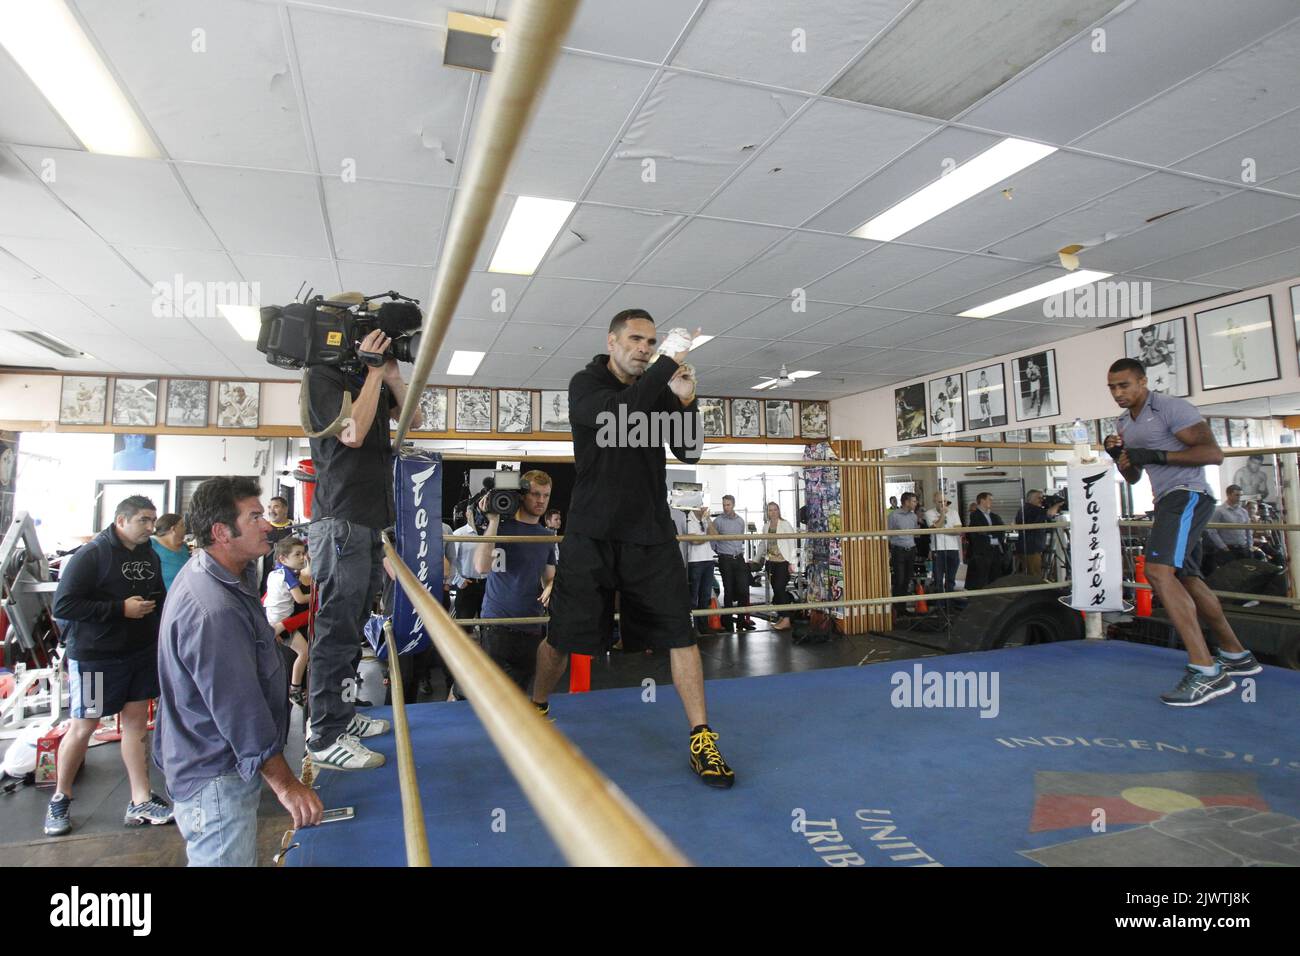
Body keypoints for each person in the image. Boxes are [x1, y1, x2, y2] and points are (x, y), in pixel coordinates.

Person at [532, 309, 736, 787]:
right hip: (591, 533)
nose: (644, 348)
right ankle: (537, 708)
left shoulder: (658, 388)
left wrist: (686, 404)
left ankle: (702, 736)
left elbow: (689, 453)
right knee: (563, 637)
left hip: (649, 533)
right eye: (636, 340)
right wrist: (668, 364)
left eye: (651, 342)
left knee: (680, 634)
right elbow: (619, 413)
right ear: (613, 341)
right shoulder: (586, 384)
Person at [154, 477, 322, 865]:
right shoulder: (215, 609)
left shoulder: (223, 576)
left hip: (210, 761)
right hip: (215, 777)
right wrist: (286, 786)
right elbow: (239, 710)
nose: (267, 524)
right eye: (255, 517)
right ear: (221, 532)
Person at [1105, 358, 1258, 706]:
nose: (1118, 393)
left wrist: (1155, 453)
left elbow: (1213, 454)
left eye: (1124, 385)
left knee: (1158, 573)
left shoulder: (1171, 409)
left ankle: (1205, 671)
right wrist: (1119, 457)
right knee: (1186, 577)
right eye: (1112, 387)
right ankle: (1235, 654)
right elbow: (1133, 476)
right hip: (1166, 501)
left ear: (1143, 382)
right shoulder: (1122, 423)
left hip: (1187, 495)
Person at [303, 316, 419, 770]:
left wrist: (390, 374)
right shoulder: (322, 375)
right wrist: (372, 374)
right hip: (340, 521)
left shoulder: (367, 378)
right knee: (335, 630)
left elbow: (413, 418)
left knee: (352, 629)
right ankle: (325, 735)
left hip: (368, 521)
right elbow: (350, 434)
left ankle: (343, 714)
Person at [45, 496, 172, 837]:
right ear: (121, 521)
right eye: (144, 520)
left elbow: (157, 596)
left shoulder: (148, 553)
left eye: (153, 520)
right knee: (84, 726)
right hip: (97, 658)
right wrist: (119, 610)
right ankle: (60, 798)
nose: (150, 527)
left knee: (135, 726)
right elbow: (65, 605)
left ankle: (140, 799)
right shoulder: (93, 555)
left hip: (138, 652)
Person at [470, 471, 556, 694]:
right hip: (497, 623)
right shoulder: (500, 528)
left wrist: (551, 585)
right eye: (535, 494)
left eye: (546, 495)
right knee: (482, 691)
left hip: (531, 624)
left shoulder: (547, 536)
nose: (540, 500)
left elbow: (550, 576)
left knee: (517, 693)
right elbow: (481, 567)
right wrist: (493, 520)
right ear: (521, 496)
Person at [264, 536, 312, 707]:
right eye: (297, 554)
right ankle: (295, 688)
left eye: (303, 554)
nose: (302, 558)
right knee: (304, 652)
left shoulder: (274, 573)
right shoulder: (289, 575)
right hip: (282, 624)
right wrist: (318, 596)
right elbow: (300, 600)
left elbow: (267, 599)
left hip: (273, 620)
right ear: (283, 558)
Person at [712, 495, 754, 632]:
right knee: (728, 591)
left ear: (733, 505)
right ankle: (728, 623)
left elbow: (740, 539)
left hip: (739, 557)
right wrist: (719, 552)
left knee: (743, 590)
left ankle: (742, 621)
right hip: (725, 559)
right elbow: (712, 541)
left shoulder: (740, 521)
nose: (726, 507)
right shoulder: (717, 521)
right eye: (724, 505)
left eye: (728, 505)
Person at [684, 504, 718, 639]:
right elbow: (694, 541)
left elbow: (715, 536)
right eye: (699, 505)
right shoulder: (687, 519)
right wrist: (706, 536)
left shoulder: (704, 519)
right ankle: (692, 628)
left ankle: (703, 626)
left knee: (705, 597)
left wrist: (708, 520)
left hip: (708, 560)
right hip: (694, 561)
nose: (702, 507)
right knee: (693, 598)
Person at [763, 501, 797, 631]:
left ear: (779, 511)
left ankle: (786, 619)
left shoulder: (785, 524)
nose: (773, 512)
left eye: (775, 509)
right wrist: (756, 559)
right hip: (771, 562)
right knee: (776, 590)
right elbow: (763, 544)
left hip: (783, 562)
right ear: (767, 512)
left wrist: (792, 562)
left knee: (779, 588)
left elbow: (792, 543)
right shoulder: (766, 526)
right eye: (770, 510)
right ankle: (782, 617)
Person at [1205, 484, 1252, 573]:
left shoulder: (1243, 512)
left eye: (1240, 495)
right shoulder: (1219, 511)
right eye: (1237, 495)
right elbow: (1212, 530)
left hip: (1243, 548)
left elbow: (1248, 529)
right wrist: (1223, 547)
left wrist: (1250, 546)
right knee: (1230, 575)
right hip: (1228, 549)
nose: (1239, 498)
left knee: (1246, 574)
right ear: (1228, 495)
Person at [963, 493, 1005, 591]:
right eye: (989, 499)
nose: (991, 502)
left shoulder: (994, 516)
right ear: (982, 501)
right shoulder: (975, 516)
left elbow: (1001, 531)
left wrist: (993, 538)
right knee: (980, 580)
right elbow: (979, 535)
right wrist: (990, 537)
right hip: (981, 553)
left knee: (995, 579)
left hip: (994, 552)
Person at [887, 493, 919, 612]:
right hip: (898, 551)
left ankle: (903, 608)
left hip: (911, 550)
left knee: (907, 579)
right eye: (914, 501)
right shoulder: (893, 516)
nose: (915, 503)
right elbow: (887, 534)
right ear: (906, 502)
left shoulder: (913, 516)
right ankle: (896, 610)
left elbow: (915, 533)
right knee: (899, 580)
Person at [925, 492, 961, 596]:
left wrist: (940, 530)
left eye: (945, 501)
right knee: (938, 580)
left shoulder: (954, 512)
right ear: (934, 502)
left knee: (951, 580)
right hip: (938, 549)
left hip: (953, 549)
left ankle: (950, 604)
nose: (943, 504)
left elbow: (958, 531)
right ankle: (939, 606)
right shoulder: (929, 513)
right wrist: (942, 515)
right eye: (940, 502)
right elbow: (934, 529)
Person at [260, 495, 295, 595]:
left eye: (276, 507)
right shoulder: (263, 530)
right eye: (269, 507)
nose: (271, 510)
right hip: (266, 581)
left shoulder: (296, 529)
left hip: (290, 581)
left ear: (285, 509)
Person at [1015, 491, 1049, 578]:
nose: (1041, 500)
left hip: (1027, 548)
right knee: (1034, 576)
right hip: (1031, 549)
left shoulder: (1024, 509)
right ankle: (1035, 591)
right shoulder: (1032, 509)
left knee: (1029, 573)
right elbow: (1050, 513)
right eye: (1039, 498)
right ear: (1031, 499)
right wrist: (1058, 505)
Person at [151, 513, 190, 590]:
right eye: (182, 525)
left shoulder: (184, 547)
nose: (185, 528)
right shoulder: (152, 543)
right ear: (173, 529)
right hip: (164, 597)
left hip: (186, 593)